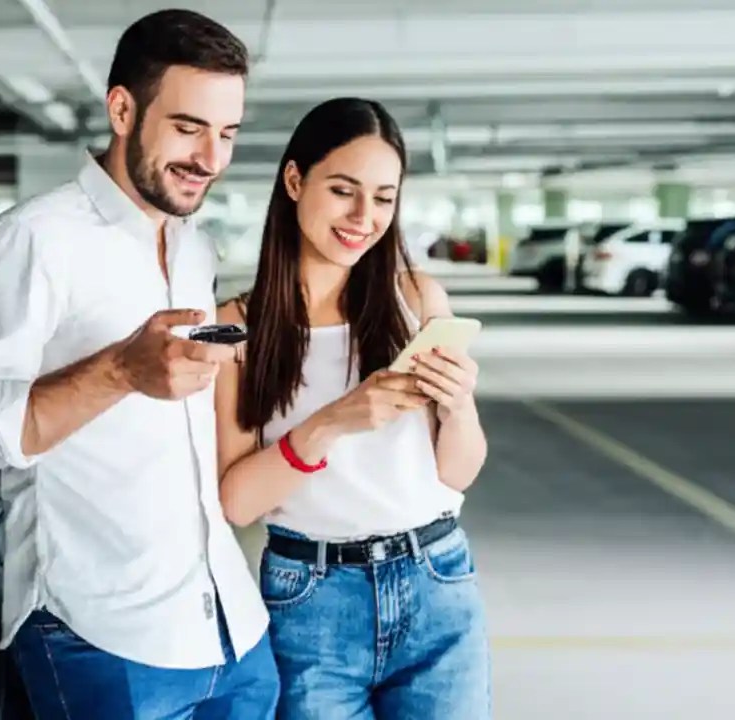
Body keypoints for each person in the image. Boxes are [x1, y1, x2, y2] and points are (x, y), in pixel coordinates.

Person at [0, 9, 279, 719]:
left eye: (228, 134)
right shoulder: (32, 242)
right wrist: (120, 370)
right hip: (100, 637)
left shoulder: (194, 248)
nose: (210, 157)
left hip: (231, 633)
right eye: (188, 127)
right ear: (122, 108)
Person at [214, 97, 492, 719]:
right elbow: (236, 501)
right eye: (344, 190)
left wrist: (460, 405)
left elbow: (458, 472)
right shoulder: (239, 325)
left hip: (437, 579)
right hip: (311, 600)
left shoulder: (416, 298)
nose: (365, 217)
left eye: (385, 197)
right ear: (294, 180)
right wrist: (334, 421)